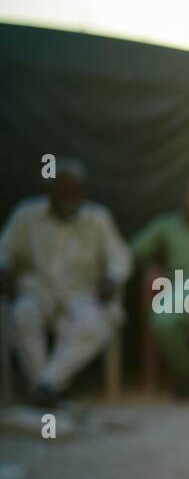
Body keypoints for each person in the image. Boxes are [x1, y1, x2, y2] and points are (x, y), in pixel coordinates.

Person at [0, 159, 130, 407]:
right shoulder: (26, 214)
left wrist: (112, 278)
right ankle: (46, 388)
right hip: (37, 290)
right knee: (22, 315)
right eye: (64, 191)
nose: (71, 197)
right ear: (49, 191)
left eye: (76, 191)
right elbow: (3, 251)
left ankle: (45, 386)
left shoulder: (97, 218)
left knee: (95, 325)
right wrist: (4, 270)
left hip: (82, 292)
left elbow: (120, 258)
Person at [131, 174, 189, 396]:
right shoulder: (167, 225)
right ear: (184, 197)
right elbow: (134, 251)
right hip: (179, 293)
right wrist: (154, 265)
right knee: (163, 321)